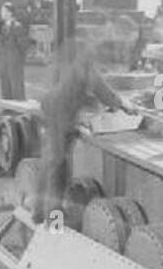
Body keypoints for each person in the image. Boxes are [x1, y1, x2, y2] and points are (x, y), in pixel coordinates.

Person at [33, 38, 137, 223]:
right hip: (60, 116)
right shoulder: (86, 63)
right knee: (58, 170)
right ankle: (54, 221)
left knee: (49, 164)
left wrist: (81, 115)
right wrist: (123, 104)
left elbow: (76, 91)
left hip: (52, 111)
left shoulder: (72, 60)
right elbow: (101, 90)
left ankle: (39, 213)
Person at [0, 3, 32, 101]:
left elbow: (24, 45)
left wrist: (19, 58)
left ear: (9, 13)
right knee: (6, 82)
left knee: (16, 82)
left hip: (15, 58)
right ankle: (8, 105)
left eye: (3, 11)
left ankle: (19, 104)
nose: (1, 13)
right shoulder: (4, 27)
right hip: (6, 58)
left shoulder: (17, 27)